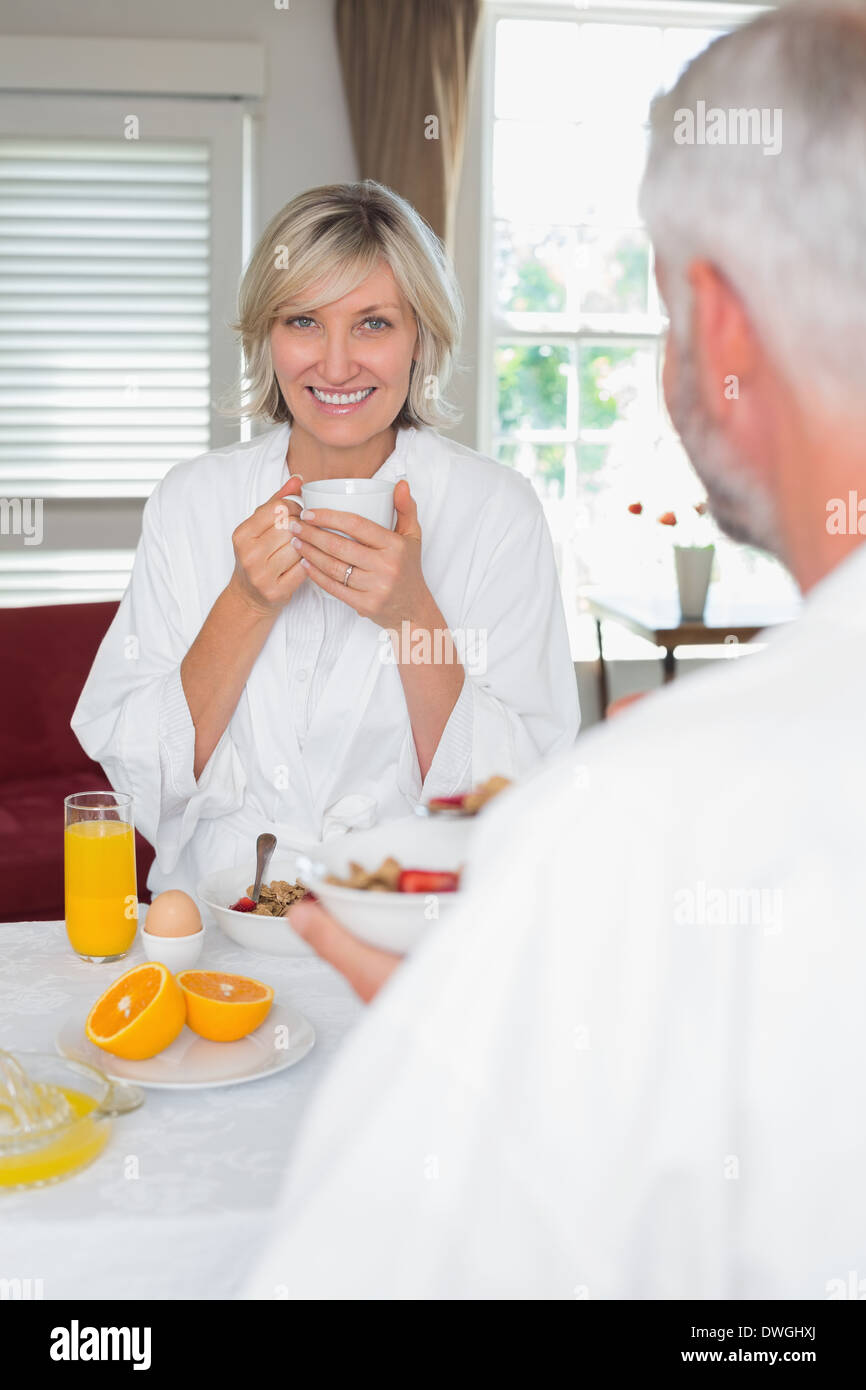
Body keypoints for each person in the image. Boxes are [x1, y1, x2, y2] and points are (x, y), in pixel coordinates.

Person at [241, 1, 866, 1298]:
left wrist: (449, 1032)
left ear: (719, 318)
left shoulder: (650, 819)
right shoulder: (650, 816)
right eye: (305, 323)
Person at [70, 182, 579, 900]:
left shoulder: (497, 511)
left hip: (407, 932)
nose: (336, 366)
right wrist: (245, 603)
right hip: (220, 926)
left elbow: (519, 792)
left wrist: (411, 618)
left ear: (421, 339)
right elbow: (138, 777)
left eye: (373, 324)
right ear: (265, 336)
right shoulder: (191, 502)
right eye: (304, 321)